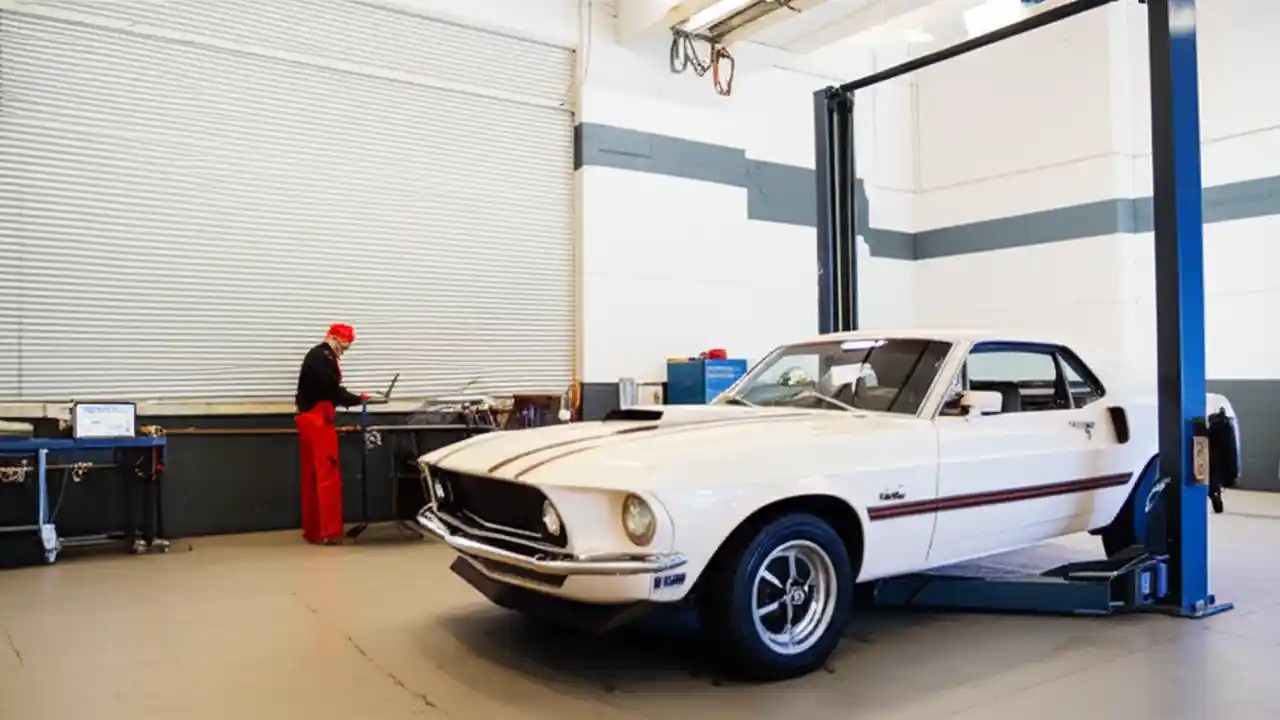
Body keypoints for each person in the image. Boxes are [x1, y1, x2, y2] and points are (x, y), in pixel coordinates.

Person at [293, 323, 369, 545]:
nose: (343, 351)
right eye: (343, 346)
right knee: (328, 475)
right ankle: (330, 532)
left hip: (307, 419)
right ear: (333, 338)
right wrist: (359, 398)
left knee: (311, 477)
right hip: (318, 422)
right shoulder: (323, 358)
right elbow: (332, 391)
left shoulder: (314, 356)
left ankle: (314, 531)